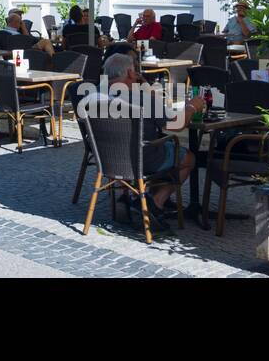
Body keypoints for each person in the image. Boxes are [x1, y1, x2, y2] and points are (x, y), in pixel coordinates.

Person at [82, 52, 204, 230]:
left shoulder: (91, 97)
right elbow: (176, 124)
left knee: (162, 145)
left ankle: (134, 197)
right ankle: (156, 202)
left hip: (106, 160)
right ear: (131, 73)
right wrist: (192, 106)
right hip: (142, 160)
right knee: (188, 158)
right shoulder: (143, 100)